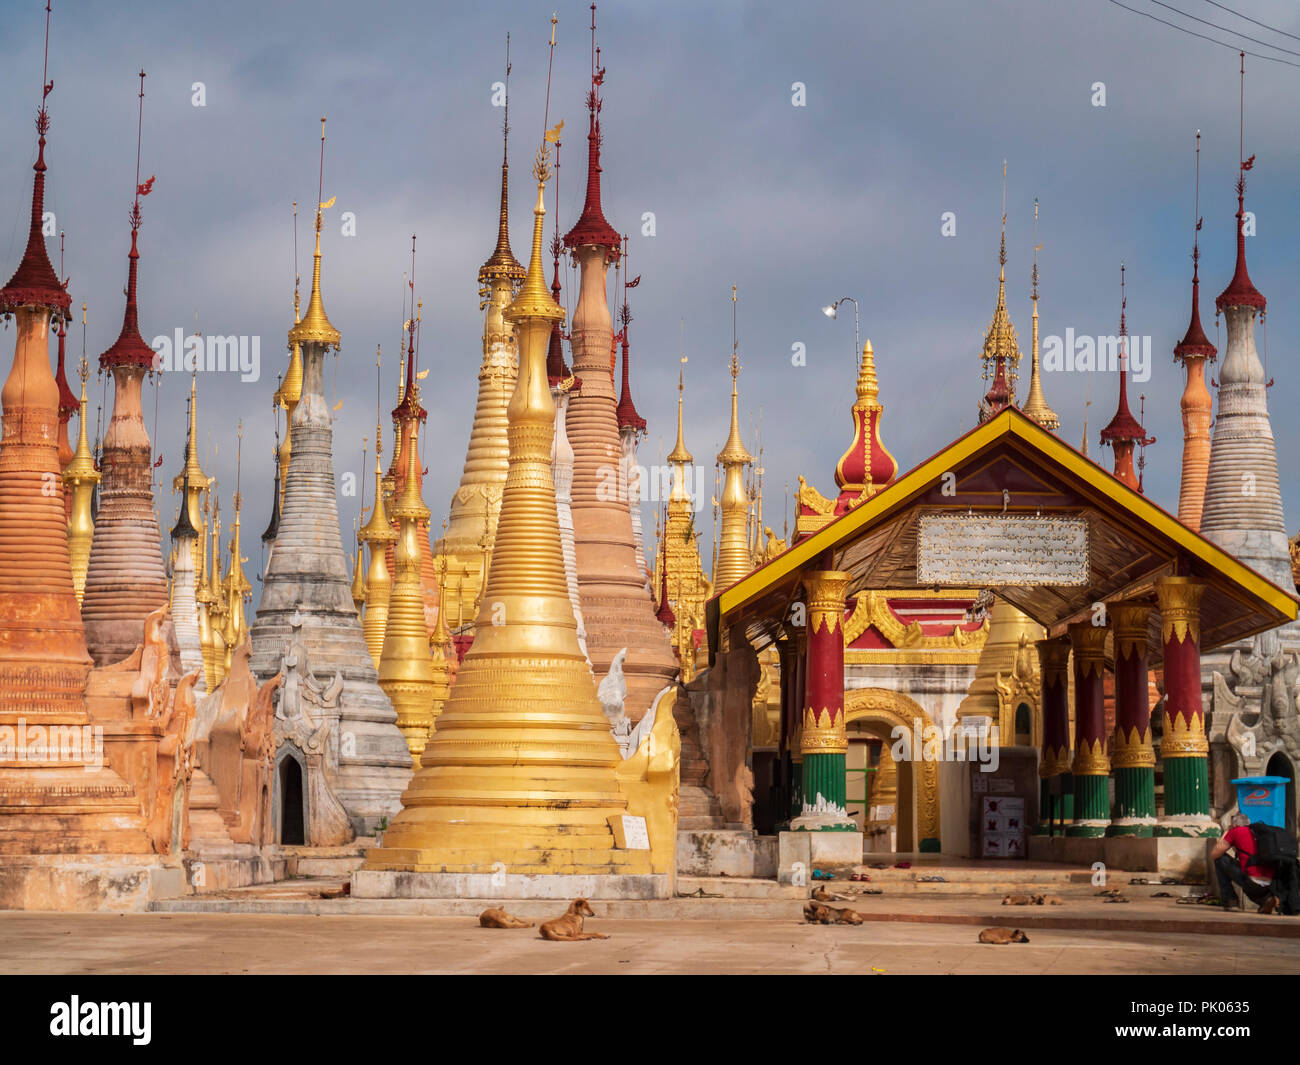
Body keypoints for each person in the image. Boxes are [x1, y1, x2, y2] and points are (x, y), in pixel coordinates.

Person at [1211, 814, 1278, 914]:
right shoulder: (1257, 832)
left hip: (1252, 881)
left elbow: (1214, 854)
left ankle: (1231, 901)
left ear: (1234, 825)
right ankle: (1266, 900)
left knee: (1220, 859)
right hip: (1271, 883)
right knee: (1251, 874)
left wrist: (1226, 832)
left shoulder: (1236, 831)